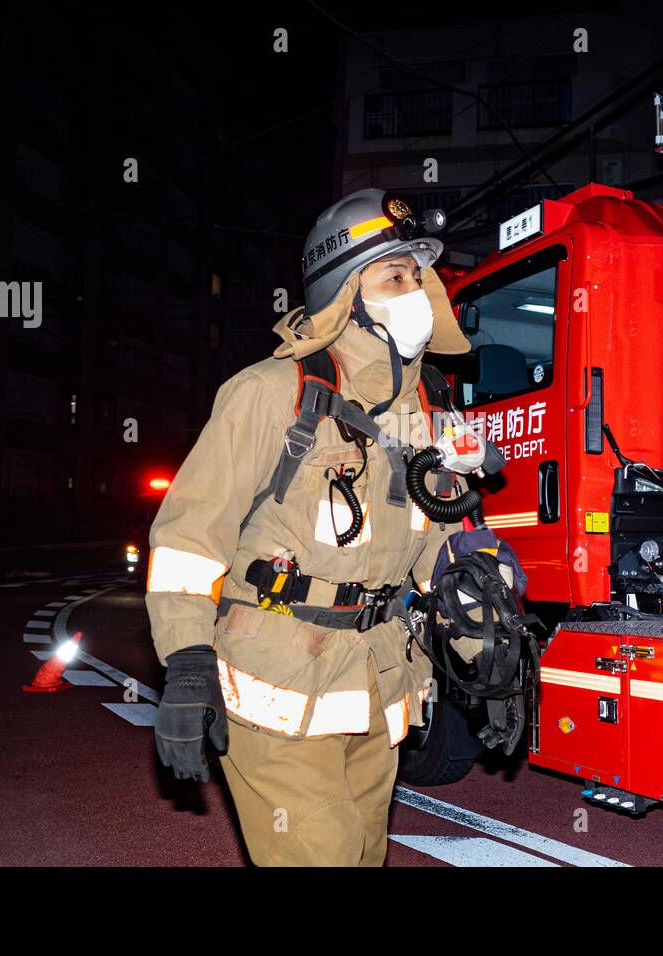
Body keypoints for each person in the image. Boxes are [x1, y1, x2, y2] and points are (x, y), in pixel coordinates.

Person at [146, 189, 491, 866]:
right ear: (345, 292)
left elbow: (443, 543)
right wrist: (187, 664)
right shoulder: (272, 392)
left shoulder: (430, 408)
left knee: (364, 855)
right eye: (394, 275)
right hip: (278, 679)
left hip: (379, 680)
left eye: (419, 277)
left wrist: (489, 657)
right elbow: (189, 538)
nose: (415, 291)